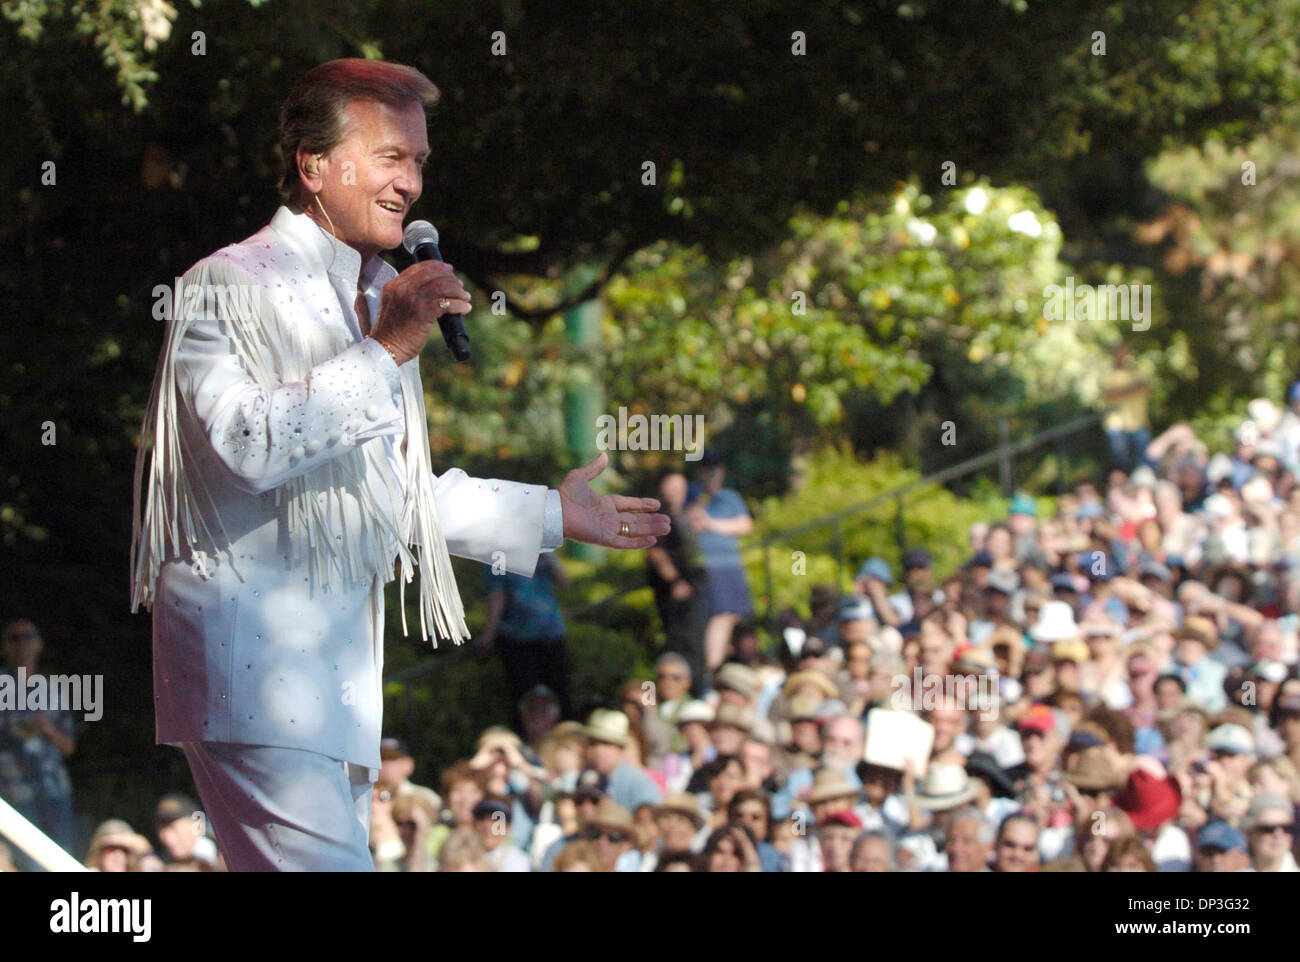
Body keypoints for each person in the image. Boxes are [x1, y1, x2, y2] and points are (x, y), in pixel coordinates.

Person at [127, 58, 668, 872]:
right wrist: (385, 348)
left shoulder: (382, 297)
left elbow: (400, 499)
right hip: (256, 678)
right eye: (390, 157)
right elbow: (246, 444)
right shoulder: (226, 284)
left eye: (419, 162)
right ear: (312, 165)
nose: (412, 183)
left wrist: (556, 517)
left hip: (336, 686)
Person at [0, 618, 77, 870]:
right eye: (15, 638)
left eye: (28, 636)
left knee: (61, 861)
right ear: (5, 647)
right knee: (26, 864)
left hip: (54, 791)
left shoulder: (52, 689)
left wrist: (47, 730)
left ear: (38, 643)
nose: (22, 642)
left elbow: (69, 747)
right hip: (13, 793)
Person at [474, 552, 574, 727]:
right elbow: (497, 594)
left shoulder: (543, 548)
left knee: (560, 695)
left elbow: (565, 583)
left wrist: (548, 560)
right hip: (516, 639)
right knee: (523, 698)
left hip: (550, 635)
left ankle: (564, 741)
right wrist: (488, 635)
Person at [686, 449, 755, 674]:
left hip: (731, 564)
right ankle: (713, 669)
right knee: (721, 614)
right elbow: (688, 523)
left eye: (715, 471)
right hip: (709, 565)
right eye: (707, 471)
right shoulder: (692, 495)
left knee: (734, 615)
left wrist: (712, 523)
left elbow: (745, 525)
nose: (711, 476)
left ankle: (725, 663)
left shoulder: (730, 497)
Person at [646, 469, 711, 696]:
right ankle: (682, 692)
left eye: (680, 487)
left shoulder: (686, 514)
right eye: (671, 487)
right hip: (676, 594)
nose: (676, 493)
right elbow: (655, 552)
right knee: (681, 643)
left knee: (696, 642)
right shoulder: (658, 517)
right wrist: (675, 581)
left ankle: (697, 689)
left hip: (696, 589)